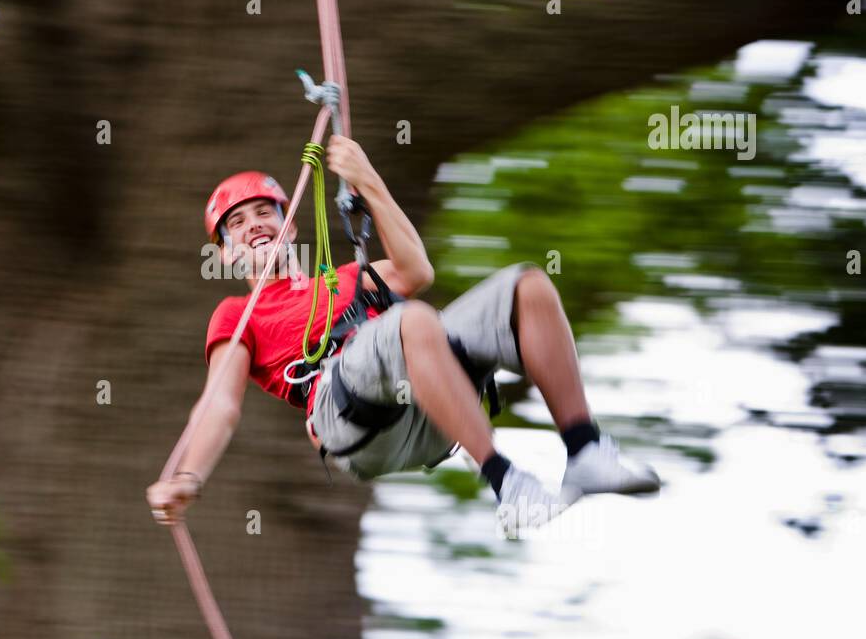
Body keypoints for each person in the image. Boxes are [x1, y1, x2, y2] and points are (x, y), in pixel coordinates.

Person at [147, 136, 660, 537]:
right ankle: (506, 483)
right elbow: (218, 403)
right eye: (237, 223)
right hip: (348, 418)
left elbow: (417, 269)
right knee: (411, 320)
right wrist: (190, 475)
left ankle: (585, 450)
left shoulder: (345, 278)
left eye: (264, 212)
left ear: (289, 225)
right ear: (226, 254)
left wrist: (366, 178)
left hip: (425, 400)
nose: (254, 224)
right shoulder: (238, 312)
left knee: (528, 288)